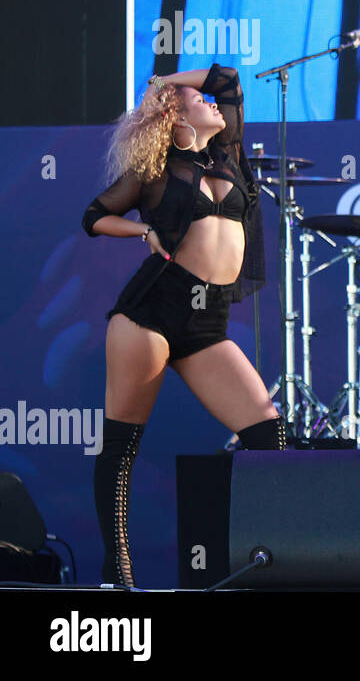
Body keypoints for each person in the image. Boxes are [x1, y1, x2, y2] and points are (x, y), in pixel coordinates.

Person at [82, 64, 284, 587]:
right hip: (150, 314)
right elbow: (94, 216)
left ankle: (271, 561)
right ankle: (117, 573)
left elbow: (228, 79)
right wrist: (143, 229)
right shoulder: (154, 171)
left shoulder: (229, 154)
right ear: (176, 117)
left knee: (267, 432)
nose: (215, 104)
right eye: (200, 101)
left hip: (206, 324)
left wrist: (166, 81)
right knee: (123, 447)